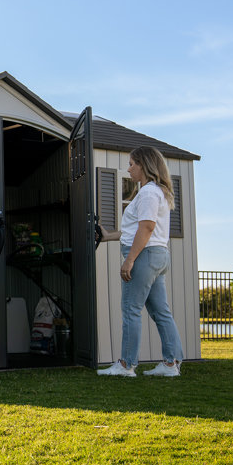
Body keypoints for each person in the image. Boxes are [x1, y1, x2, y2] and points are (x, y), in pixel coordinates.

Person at [97, 146, 184, 377]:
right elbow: (138, 229)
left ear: (144, 165)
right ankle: (171, 364)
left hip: (144, 256)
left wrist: (129, 260)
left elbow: (146, 228)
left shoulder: (147, 193)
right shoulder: (157, 192)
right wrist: (107, 236)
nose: (129, 169)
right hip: (157, 256)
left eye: (132, 164)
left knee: (130, 309)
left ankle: (126, 365)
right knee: (160, 312)